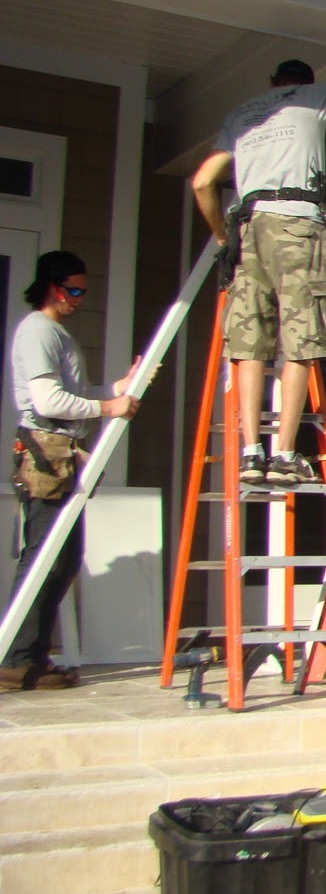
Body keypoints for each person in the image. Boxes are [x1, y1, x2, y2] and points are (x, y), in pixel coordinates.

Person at [191, 58, 326, 486]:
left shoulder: (242, 114)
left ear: (271, 83)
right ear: (306, 83)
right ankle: (284, 454)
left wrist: (223, 238)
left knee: (248, 343)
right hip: (296, 224)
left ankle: (250, 452)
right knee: (302, 338)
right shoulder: (312, 98)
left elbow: (202, 182)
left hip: (248, 226)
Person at [3, 251, 140, 690]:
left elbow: (71, 394)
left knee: (62, 559)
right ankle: (14, 657)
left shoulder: (55, 333)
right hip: (46, 452)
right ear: (51, 285)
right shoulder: (38, 332)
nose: (79, 299)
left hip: (60, 452)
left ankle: (32, 657)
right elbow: (49, 402)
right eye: (73, 290)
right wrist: (107, 407)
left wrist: (114, 390)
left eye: (83, 290)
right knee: (44, 556)